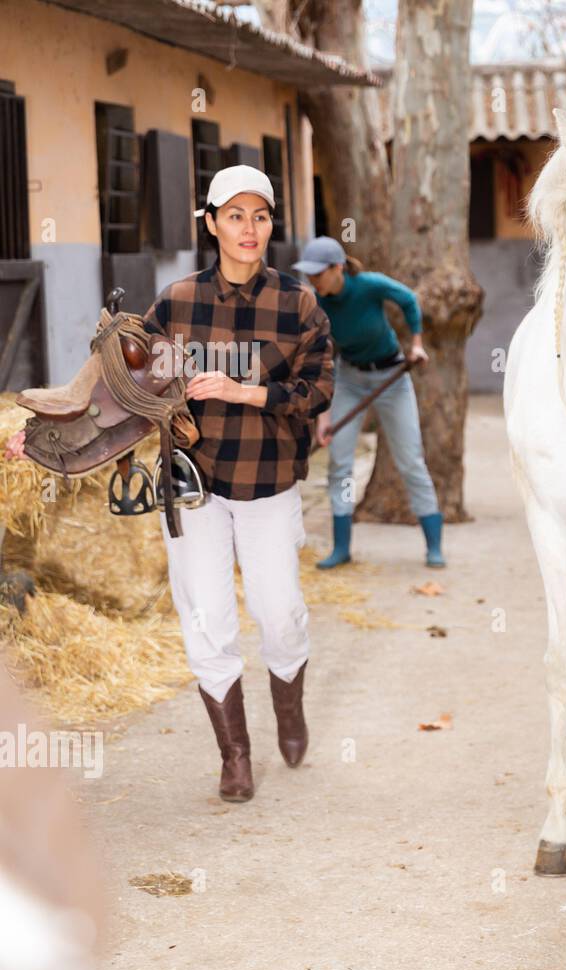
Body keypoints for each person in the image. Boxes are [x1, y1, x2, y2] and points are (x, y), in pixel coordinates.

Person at [148, 165, 333, 803]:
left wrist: (245, 391)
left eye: (259, 216)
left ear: (271, 225)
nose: (248, 229)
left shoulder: (298, 303)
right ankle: (235, 756)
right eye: (234, 216)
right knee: (207, 617)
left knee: (279, 612)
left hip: (269, 480)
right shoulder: (174, 302)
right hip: (194, 486)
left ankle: (289, 706)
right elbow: (127, 383)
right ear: (211, 224)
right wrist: (39, 434)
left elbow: (320, 389)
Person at [292, 236, 445, 570]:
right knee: (339, 465)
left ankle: (434, 545)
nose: (313, 280)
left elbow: (407, 300)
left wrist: (416, 344)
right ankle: (342, 547)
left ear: (338, 268)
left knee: (410, 461)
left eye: (319, 273)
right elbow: (322, 361)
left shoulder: (369, 285)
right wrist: (323, 418)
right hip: (349, 379)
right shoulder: (317, 306)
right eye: (310, 274)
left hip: (392, 377)